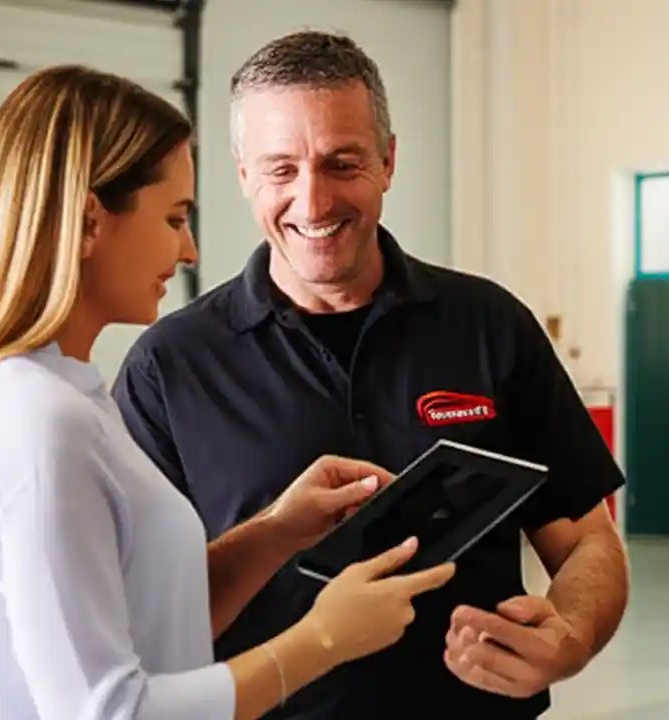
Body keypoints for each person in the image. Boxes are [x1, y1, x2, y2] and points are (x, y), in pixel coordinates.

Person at [0, 64, 454, 720]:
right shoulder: (37, 423)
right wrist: (322, 639)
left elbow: (149, 622)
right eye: (175, 217)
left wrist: (276, 532)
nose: (188, 249)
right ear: (91, 221)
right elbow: (109, 711)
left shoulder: (59, 400)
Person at [113, 30, 630, 719]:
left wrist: (571, 634)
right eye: (281, 170)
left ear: (388, 161)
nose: (314, 201)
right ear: (243, 174)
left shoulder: (488, 325)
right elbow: (140, 619)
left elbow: (588, 540)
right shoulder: (169, 367)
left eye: (341, 162)